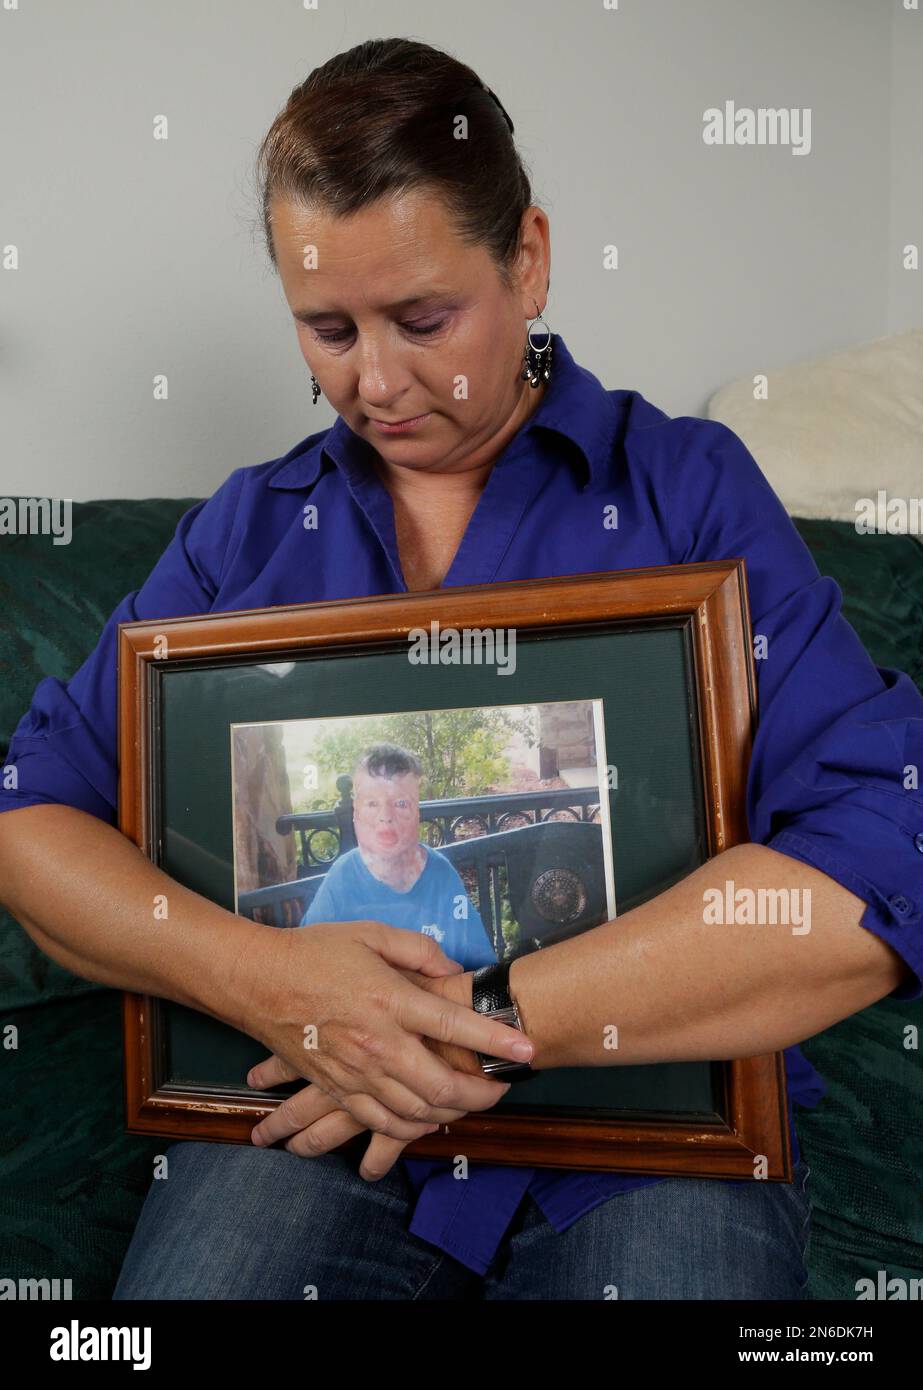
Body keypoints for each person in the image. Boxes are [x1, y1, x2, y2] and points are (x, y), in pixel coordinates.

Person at [0, 37, 920, 1301]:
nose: (374, 382)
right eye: (325, 330)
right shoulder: (248, 530)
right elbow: (29, 816)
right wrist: (275, 987)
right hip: (309, 1120)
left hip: (652, 1139)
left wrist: (481, 1016)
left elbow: (881, 850)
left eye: (423, 319)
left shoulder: (687, 489)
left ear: (527, 259)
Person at [299, 742, 497, 972]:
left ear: (417, 813)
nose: (386, 816)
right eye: (372, 803)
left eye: (401, 803)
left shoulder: (442, 875)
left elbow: (481, 968)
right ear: (356, 813)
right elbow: (307, 966)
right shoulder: (341, 879)